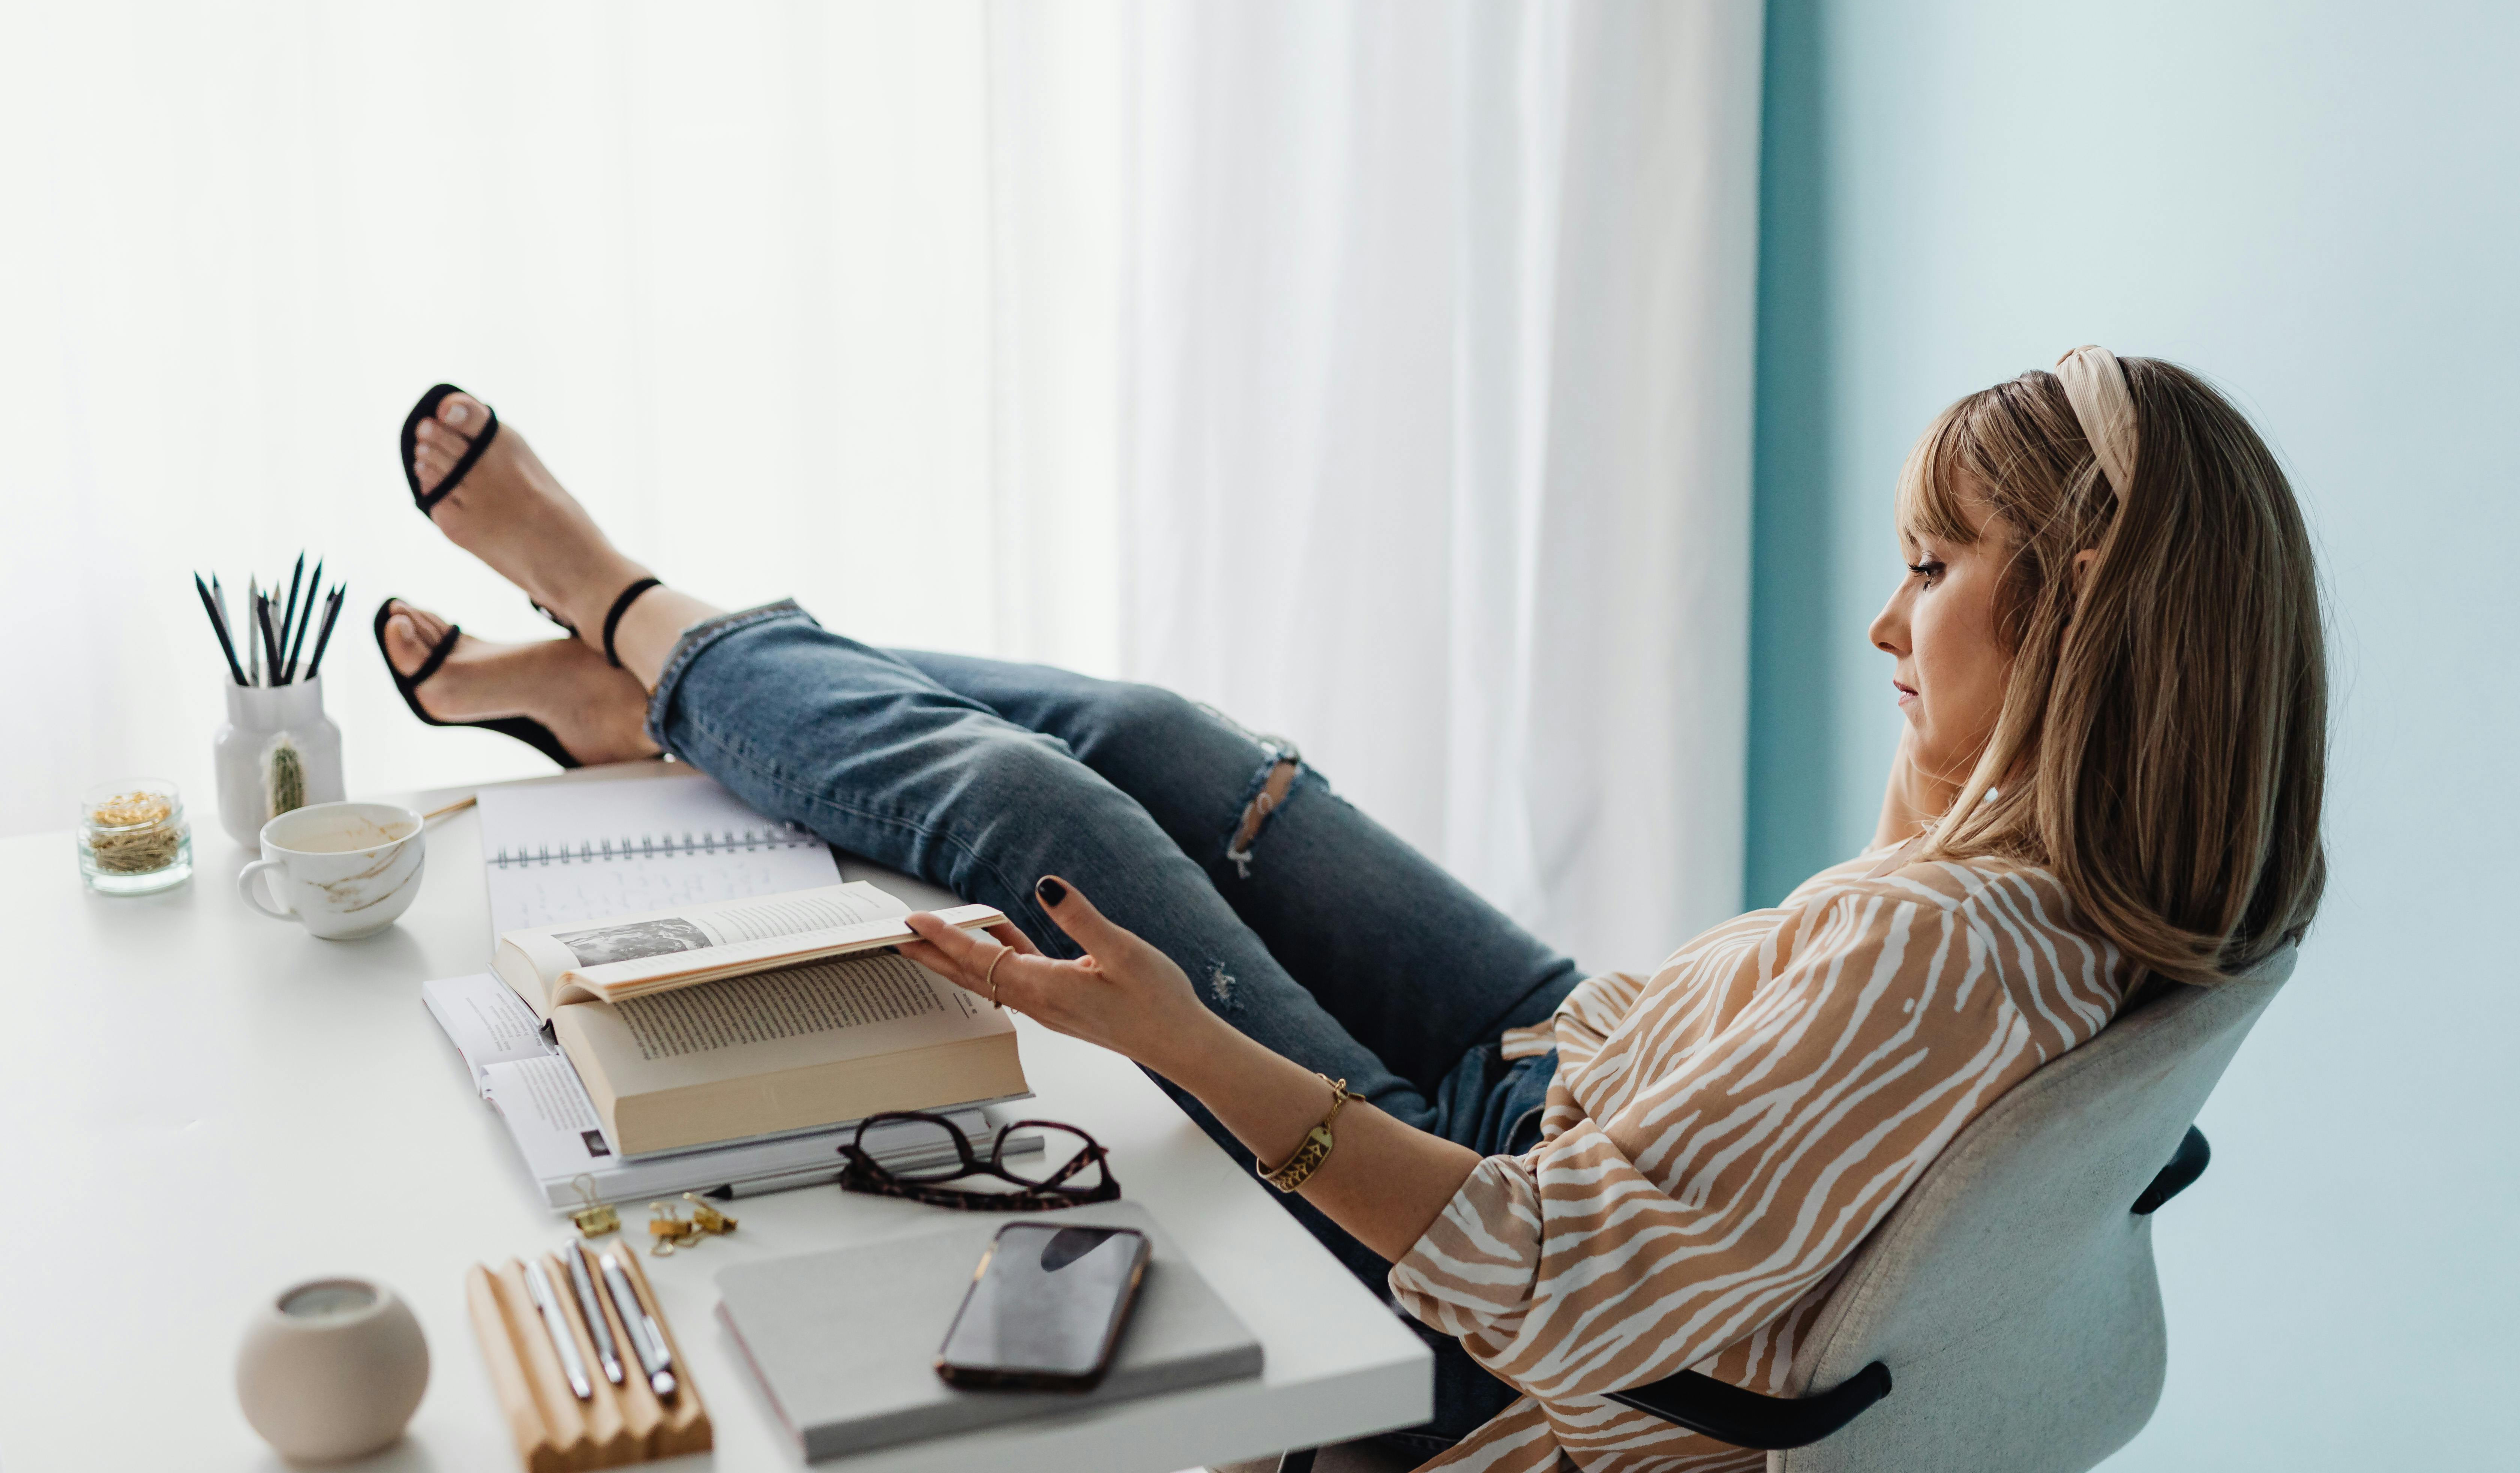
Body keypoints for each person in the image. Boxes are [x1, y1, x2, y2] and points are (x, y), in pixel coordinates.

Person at [379, 347, 2326, 1472]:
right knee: (1156, 735)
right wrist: (1945, 772)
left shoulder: (1945, 950)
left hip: (1480, 1288)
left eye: (1937, 568)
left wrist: (1179, 1039)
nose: (1887, 622)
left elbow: (1552, 1293)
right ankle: (644, 686)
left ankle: (615, 604)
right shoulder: (2123, 892)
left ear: (2085, 609)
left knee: (1027, 808)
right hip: (1584, 1065)